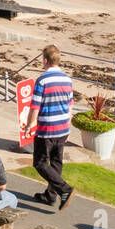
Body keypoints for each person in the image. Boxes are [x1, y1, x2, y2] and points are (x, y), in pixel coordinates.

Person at [25, 44, 74, 209]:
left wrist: (29, 126)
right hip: (62, 127)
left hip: (47, 129)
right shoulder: (67, 80)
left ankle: (65, 189)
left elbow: (35, 107)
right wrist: (67, 127)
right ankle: (50, 196)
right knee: (56, 163)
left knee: (40, 163)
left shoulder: (42, 81)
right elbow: (70, 105)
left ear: (45, 60)